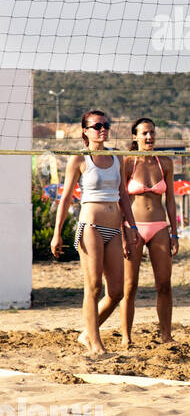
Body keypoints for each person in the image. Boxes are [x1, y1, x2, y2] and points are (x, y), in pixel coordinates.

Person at [50, 110, 141, 356]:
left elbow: (123, 195)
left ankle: (87, 333)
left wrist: (131, 226)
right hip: (90, 225)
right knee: (93, 287)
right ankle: (96, 344)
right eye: (97, 125)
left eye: (105, 125)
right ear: (85, 132)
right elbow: (66, 198)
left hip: (113, 227)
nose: (103, 129)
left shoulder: (116, 158)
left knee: (117, 292)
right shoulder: (79, 159)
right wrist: (57, 233)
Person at [122, 117, 179, 346]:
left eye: (152, 132)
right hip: (133, 227)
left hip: (159, 227)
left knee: (164, 284)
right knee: (129, 286)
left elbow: (171, 200)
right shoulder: (127, 162)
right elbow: (121, 199)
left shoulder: (164, 162)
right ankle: (126, 337)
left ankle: (166, 336)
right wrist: (123, 232)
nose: (149, 137)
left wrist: (175, 233)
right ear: (135, 136)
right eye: (144, 133)